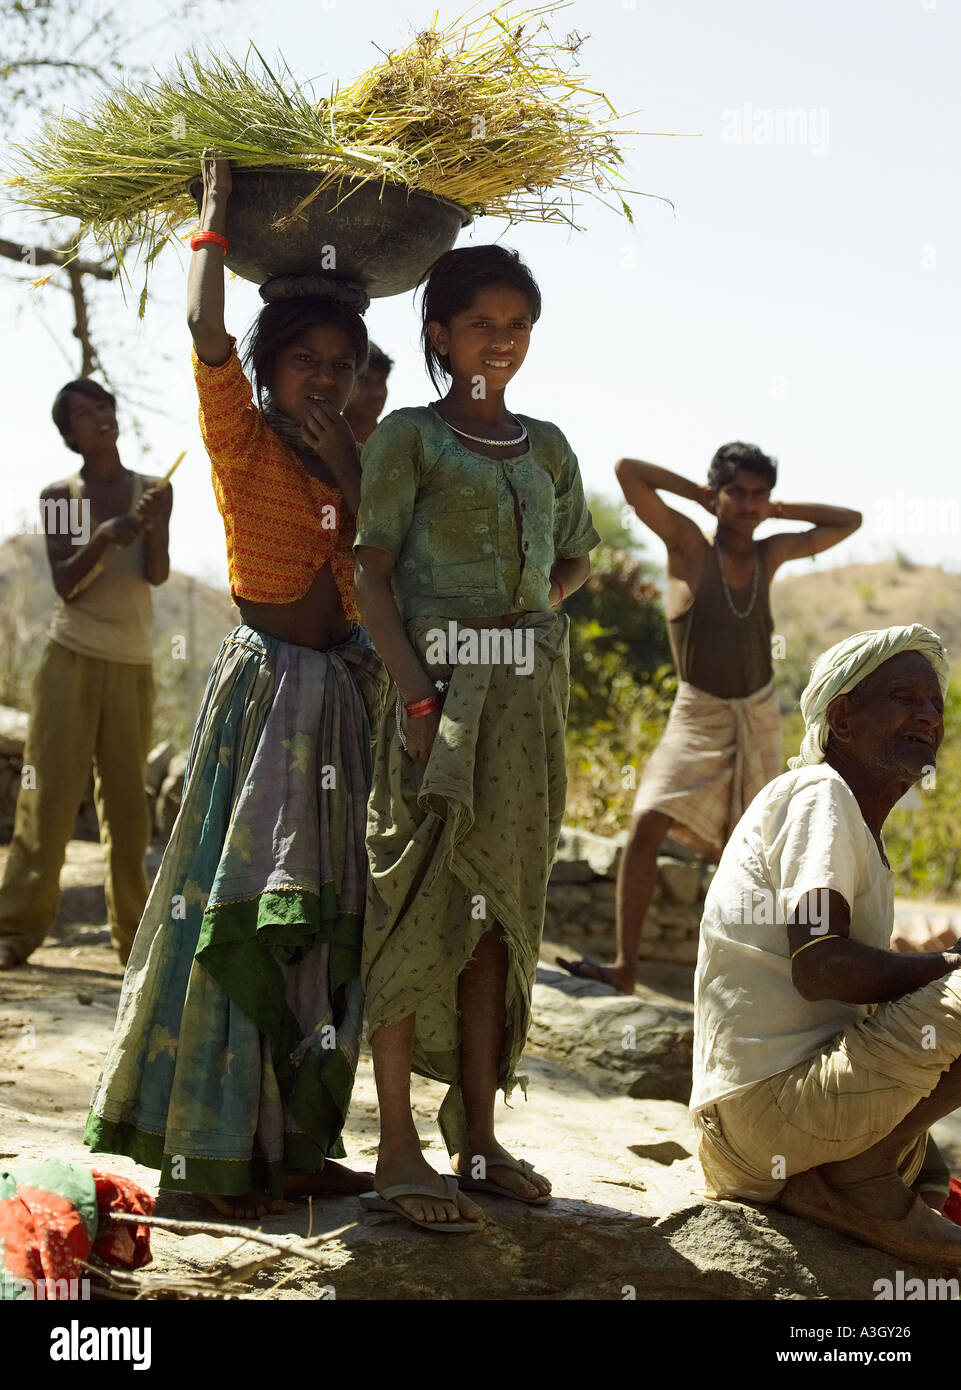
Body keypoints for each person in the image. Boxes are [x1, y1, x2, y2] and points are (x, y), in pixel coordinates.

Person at [85, 156, 386, 1219]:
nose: (322, 378)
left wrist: (351, 474)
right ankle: (211, 1141)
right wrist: (213, 219)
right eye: (302, 360)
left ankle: (299, 1145)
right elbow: (205, 332)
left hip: (339, 715)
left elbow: (382, 573)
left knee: (323, 927)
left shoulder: (364, 470)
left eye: (340, 366)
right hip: (264, 709)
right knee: (240, 914)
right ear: (265, 372)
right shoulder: (239, 438)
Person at [354, 244, 601, 1230]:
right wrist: (419, 693)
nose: (501, 341)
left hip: (524, 704)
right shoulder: (410, 437)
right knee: (412, 901)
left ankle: (481, 1137)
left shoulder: (546, 447)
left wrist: (518, 626)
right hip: (432, 697)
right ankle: (397, 1146)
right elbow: (369, 576)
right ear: (439, 336)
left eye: (517, 325)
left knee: (500, 914)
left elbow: (574, 559)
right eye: (482, 324)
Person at [691, 624, 961, 1264]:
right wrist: (947, 964)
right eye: (903, 698)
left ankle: (860, 1181)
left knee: (932, 1165)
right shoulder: (821, 794)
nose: (926, 715)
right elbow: (822, 965)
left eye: (935, 704)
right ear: (842, 717)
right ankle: (860, 1179)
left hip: (774, 1123)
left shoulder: (852, 822)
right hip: (765, 1117)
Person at [559, 443, 861, 994]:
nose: (748, 504)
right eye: (737, 492)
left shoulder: (771, 554)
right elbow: (630, 471)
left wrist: (779, 511)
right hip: (698, 713)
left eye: (758, 494)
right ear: (715, 494)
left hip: (759, 713)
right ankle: (626, 967)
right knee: (648, 817)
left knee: (760, 848)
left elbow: (849, 521)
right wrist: (694, 496)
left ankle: (758, 981)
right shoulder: (690, 548)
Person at [0, 379, 171, 971]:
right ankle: (16, 932)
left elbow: (156, 575)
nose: (100, 416)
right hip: (69, 658)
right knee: (46, 795)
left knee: (128, 809)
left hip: (132, 662)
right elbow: (67, 583)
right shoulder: (62, 497)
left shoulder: (153, 490)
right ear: (70, 434)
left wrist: (150, 525)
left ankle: (133, 942)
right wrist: (104, 536)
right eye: (84, 413)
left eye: (104, 406)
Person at [343, 341, 393, 446]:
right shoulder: (318, 446)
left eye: (381, 381)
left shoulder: (402, 446)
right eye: (366, 381)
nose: (378, 392)